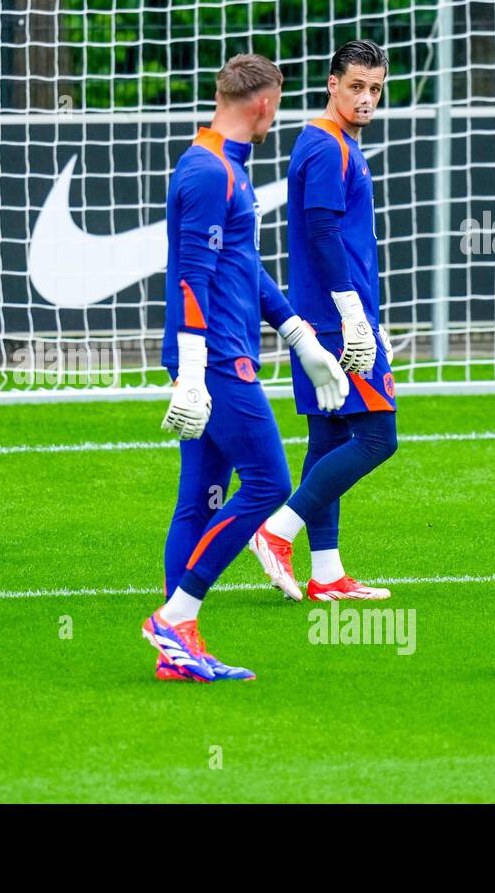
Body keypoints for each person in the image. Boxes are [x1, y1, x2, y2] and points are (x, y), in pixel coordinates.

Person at [145, 54, 348, 681]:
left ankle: (179, 650)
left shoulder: (222, 165)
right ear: (263, 104)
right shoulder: (210, 172)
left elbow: (244, 267)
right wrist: (197, 368)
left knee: (199, 500)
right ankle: (175, 617)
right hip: (219, 360)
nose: (276, 118)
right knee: (267, 483)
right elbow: (192, 274)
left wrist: (297, 334)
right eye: (278, 106)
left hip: (218, 352)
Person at [249, 40, 398, 603]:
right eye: (356, 85)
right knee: (379, 437)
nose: (366, 98)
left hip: (335, 312)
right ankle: (276, 532)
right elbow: (321, 233)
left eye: (375, 88)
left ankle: (328, 571)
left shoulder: (335, 144)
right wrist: (353, 314)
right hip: (335, 318)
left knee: (329, 436)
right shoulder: (324, 145)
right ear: (331, 84)